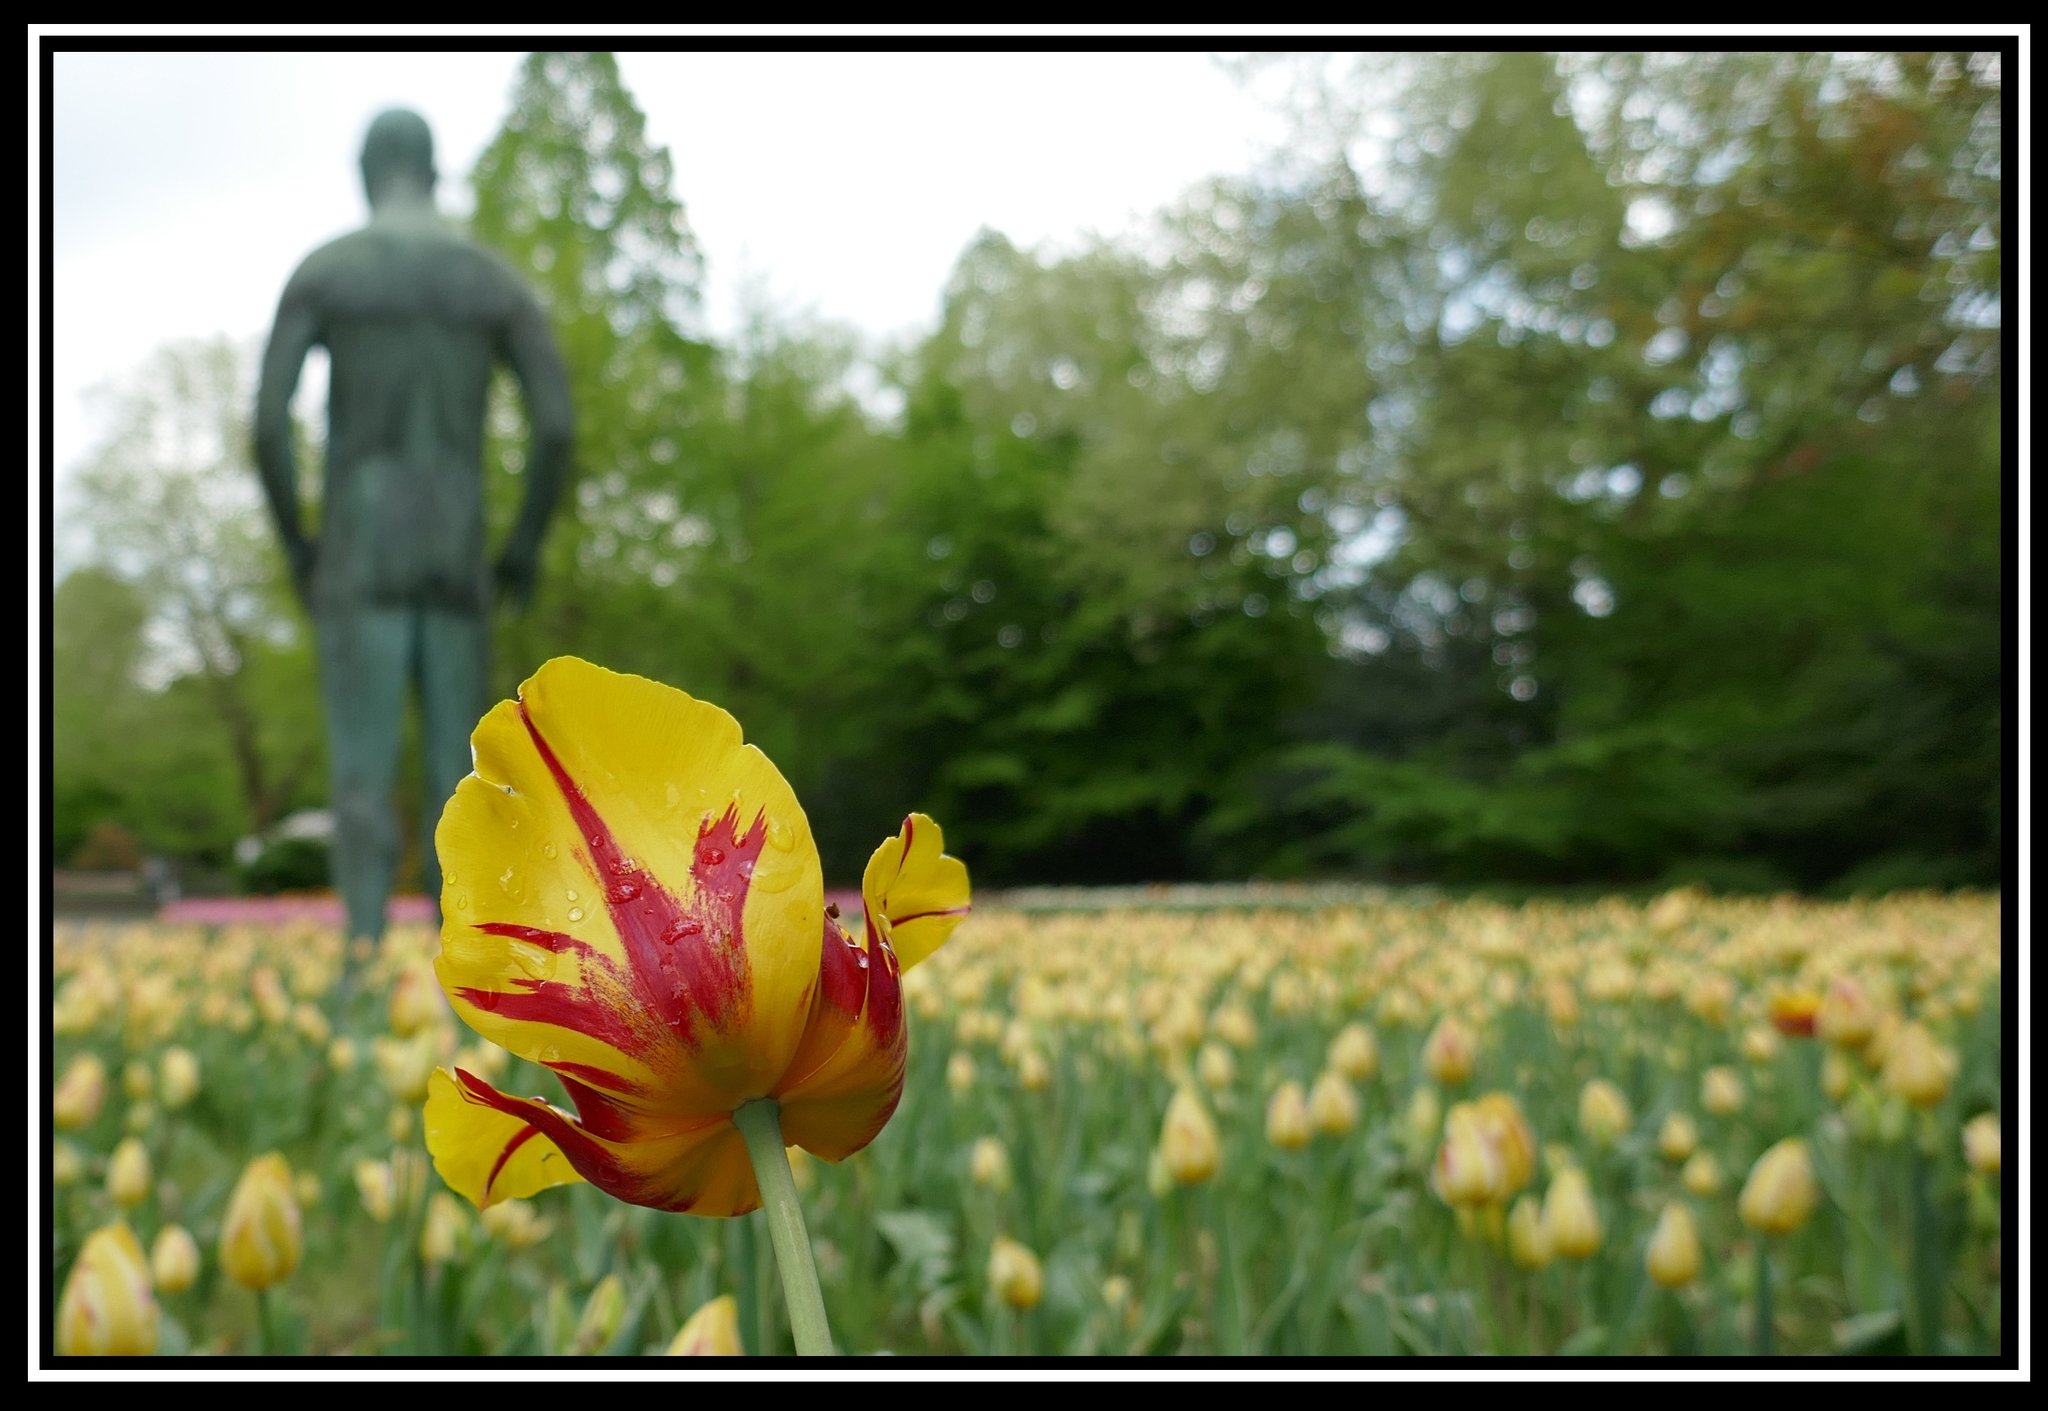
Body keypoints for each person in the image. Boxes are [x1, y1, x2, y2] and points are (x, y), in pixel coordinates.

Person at [254, 107, 573, 945]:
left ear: (367, 169)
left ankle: (363, 966)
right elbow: (557, 426)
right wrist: (523, 547)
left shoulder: (329, 272)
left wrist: (299, 543)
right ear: (433, 171)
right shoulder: (489, 280)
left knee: (360, 781)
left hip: (359, 544)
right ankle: (462, 982)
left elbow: (267, 424)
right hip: (456, 548)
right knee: (456, 782)